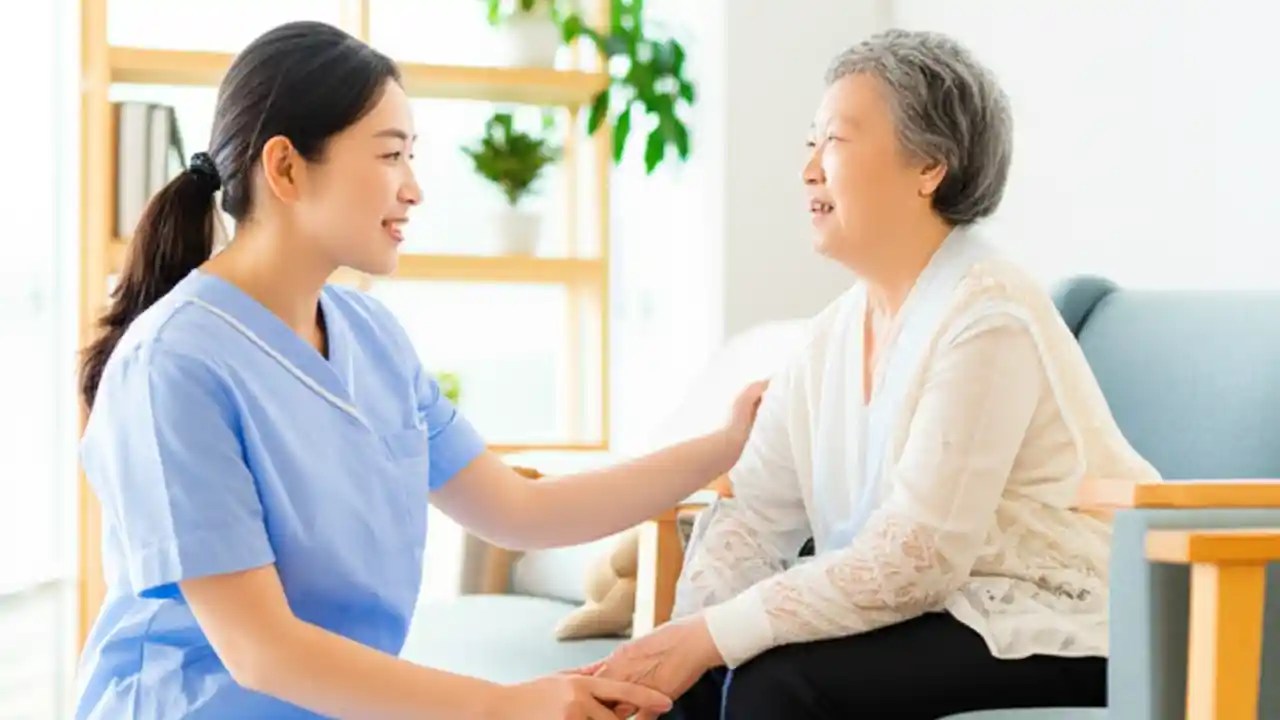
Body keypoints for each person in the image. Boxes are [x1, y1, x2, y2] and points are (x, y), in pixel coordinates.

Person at [74, 21, 767, 720]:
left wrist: (725, 444)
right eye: (390, 155)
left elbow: (521, 511)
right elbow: (261, 651)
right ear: (285, 168)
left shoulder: (371, 338)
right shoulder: (172, 366)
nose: (413, 189)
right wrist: (507, 706)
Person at [585, 29, 1162, 720]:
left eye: (835, 140)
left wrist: (712, 637)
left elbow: (918, 557)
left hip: (1057, 628)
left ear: (929, 168)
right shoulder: (828, 336)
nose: (808, 169)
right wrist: (676, 654)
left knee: (777, 683)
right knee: (689, 686)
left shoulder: (990, 317)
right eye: (810, 142)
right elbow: (753, 515)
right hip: (940, 617)